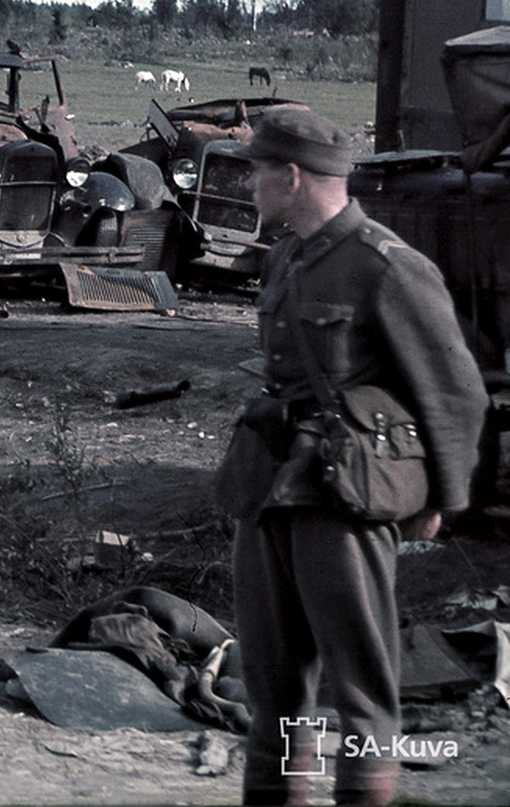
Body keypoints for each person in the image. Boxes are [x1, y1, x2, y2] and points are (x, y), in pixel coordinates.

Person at [230, 107, 487, 805]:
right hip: (271, 489)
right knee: (274, 692)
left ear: (291, 177)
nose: (248, 185)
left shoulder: (387, 267)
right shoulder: (287, 255)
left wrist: (441, 500)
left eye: (257, 172)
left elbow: (455, 393)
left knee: (362, 692)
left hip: (343, 499)